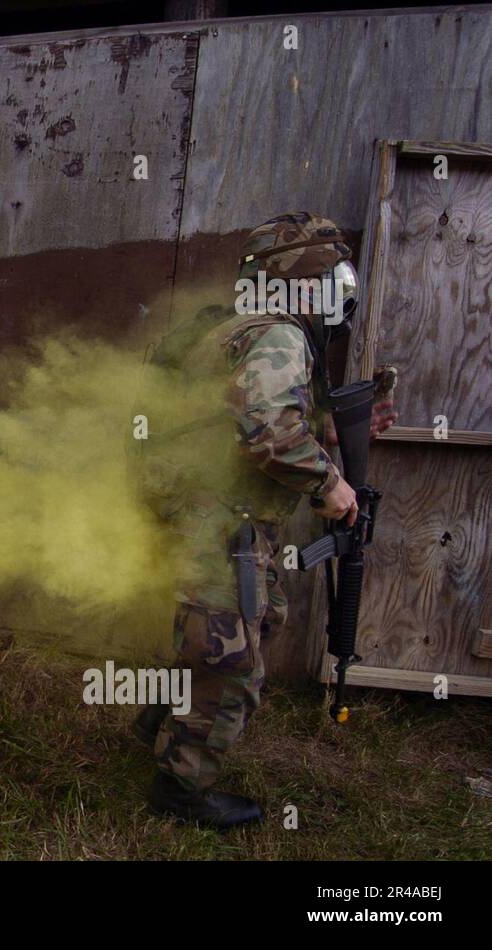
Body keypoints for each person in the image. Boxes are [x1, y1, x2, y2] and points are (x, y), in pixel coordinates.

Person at [133, 212, 397, 828]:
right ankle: (180, 791)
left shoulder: (239, 326)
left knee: (243, 625)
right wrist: (330, 484)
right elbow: (267, 434)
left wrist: (326, 432)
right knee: (233, 661)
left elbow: (238, 421)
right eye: (331, 276)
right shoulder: (278, 333)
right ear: (300, 280)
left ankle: (161, 723)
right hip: (218, 521)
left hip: (212, 513)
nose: (341, 291)